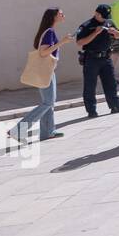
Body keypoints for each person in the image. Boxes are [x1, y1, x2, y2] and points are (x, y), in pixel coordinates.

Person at [10, 8, 73, 143]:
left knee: (49, 102)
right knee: (48, 102)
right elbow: (43, 52)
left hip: (49, 70)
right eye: (61, 13)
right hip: (46, 71)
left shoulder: (48, 31)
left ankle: (48, 132)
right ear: (54, 17)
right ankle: (18, 130)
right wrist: (62, 42)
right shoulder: (49, 32)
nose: (63, 15)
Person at [76, 4, 119, 118]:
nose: (105, 18)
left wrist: (115, 33)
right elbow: (80, 42)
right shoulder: (86, 25)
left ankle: (116, 106)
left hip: (106, 57)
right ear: (96, 14)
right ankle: (91, 111)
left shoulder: (109, 22)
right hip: (91, 58)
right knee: (90, 85)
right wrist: (95, 33)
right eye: (103, 16)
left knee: (111, 83)